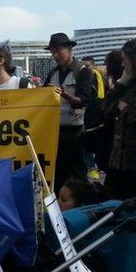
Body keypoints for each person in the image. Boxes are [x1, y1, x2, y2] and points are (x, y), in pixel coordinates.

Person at [42, 33, 96, 192]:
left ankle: (82, 207)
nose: (55, 55)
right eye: (53, 52)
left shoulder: (83, 71)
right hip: (55, 131)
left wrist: (65, 95)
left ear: (70, 49)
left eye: (59, 51)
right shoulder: (53, 73)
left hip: (75, 131)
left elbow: (84, 100)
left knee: (78, 173)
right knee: (58, 173)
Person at [103, 37, 136, 201]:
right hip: (118, 159)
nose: (123, 64)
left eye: (126, 60)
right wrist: (122, 83)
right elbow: (106, 108)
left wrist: (126, 109)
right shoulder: (129, 82)